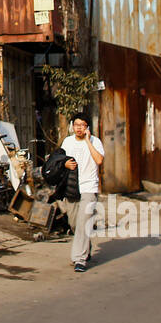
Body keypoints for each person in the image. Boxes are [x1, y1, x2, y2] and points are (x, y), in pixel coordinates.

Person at [58, 114, 105, 273]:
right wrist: (64, 163)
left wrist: (87, 141)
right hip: (72, 188)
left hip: (89, 187)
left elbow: (99, 160)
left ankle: (79, 259)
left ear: (88, 127)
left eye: (83, 125)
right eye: (76, 124)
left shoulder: (95, 142)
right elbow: (59, 159)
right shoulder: (68, 141)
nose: (79, 128)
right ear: (72, 126)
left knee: (84, 223)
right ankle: (86, 246)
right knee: (73, 223)